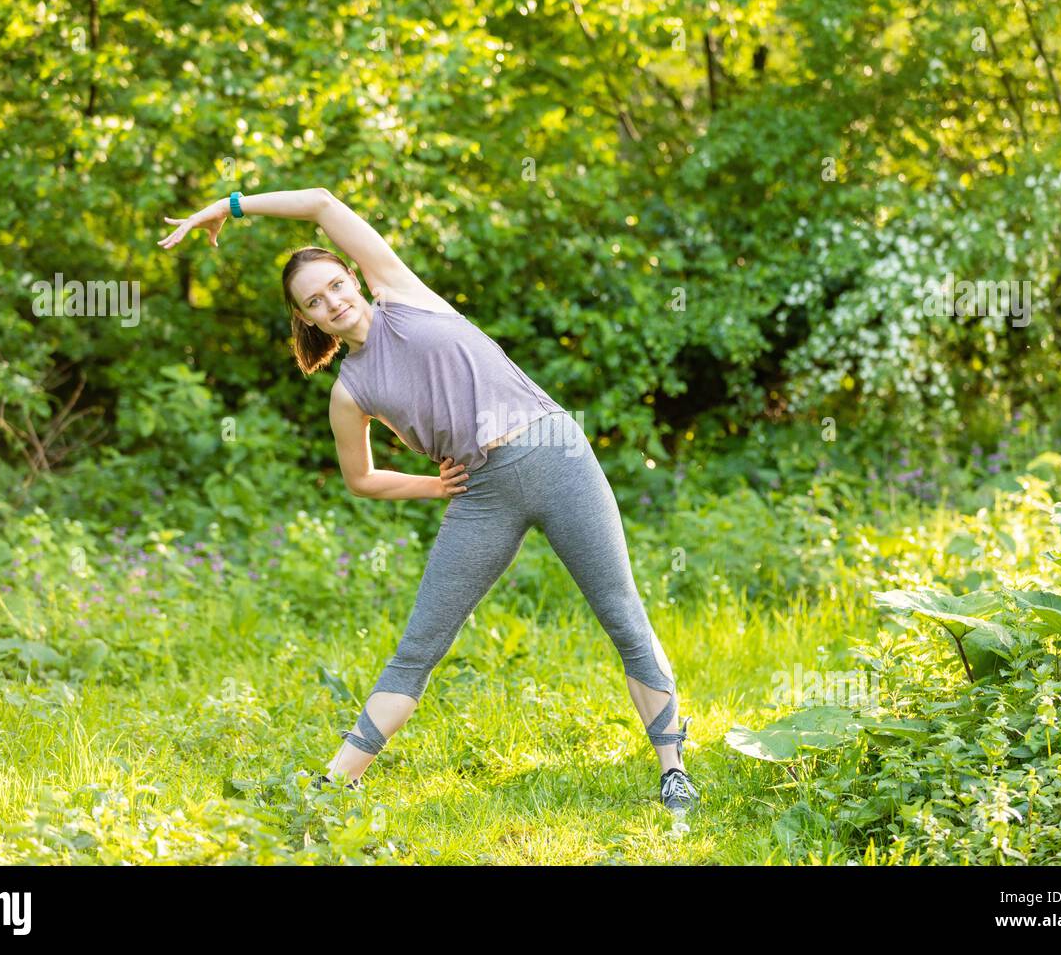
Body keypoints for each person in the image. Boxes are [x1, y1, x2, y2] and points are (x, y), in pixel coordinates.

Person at [157, 186, 698, 812]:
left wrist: (229, 207)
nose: (331, 301)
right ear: (305, 318)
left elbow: (324, 204)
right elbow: (361, 479)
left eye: (334, 285)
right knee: (420, 644)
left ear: (352, 276)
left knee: (622, 614)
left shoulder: (401, 293)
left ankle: (673, 770)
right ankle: (333, 786)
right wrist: (432, 486)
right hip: (481, 492)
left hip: (556, 455)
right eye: (314, 302)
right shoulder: (349, 391)